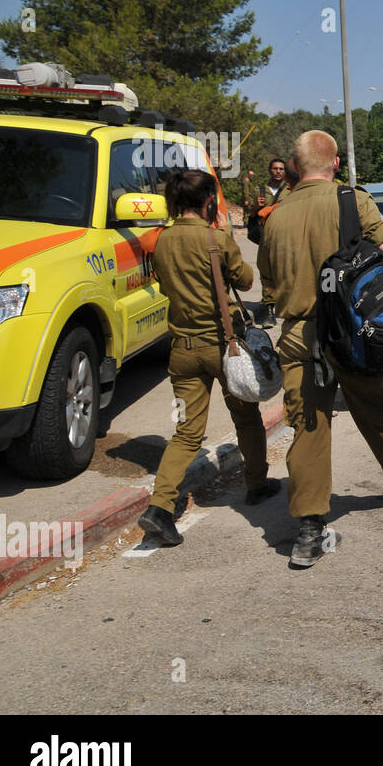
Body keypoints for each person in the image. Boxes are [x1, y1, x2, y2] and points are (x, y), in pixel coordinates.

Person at [258, 130, 383, 569]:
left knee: (307, 427)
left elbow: (268, 282)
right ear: (335, 163)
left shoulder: (275, 216)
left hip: (300, 337)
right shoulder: (350, 201)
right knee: (375, 411)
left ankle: (308, 530)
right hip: (354, 330)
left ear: (297, 168)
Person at [137, 170, 278, 547]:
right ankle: (257, 483)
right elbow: (247, 281)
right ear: (208, 202)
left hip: (182, 348)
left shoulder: (162, 241)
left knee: (186, 432)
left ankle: (160, 508)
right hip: (224, 345)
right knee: (246, 418)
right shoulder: (216, 239)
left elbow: (163, 284)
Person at [253, 157, 290, 325]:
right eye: (275, 168)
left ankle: (287, 303)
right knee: (266, 269)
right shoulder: (260, 190)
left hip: (286, 234)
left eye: (281, 169)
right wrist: (255, 206)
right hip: (266, 235)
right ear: (270, 170)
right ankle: (268, 307)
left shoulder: (290, 189)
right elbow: (251, 215)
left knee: (287, 268)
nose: (278, 171)